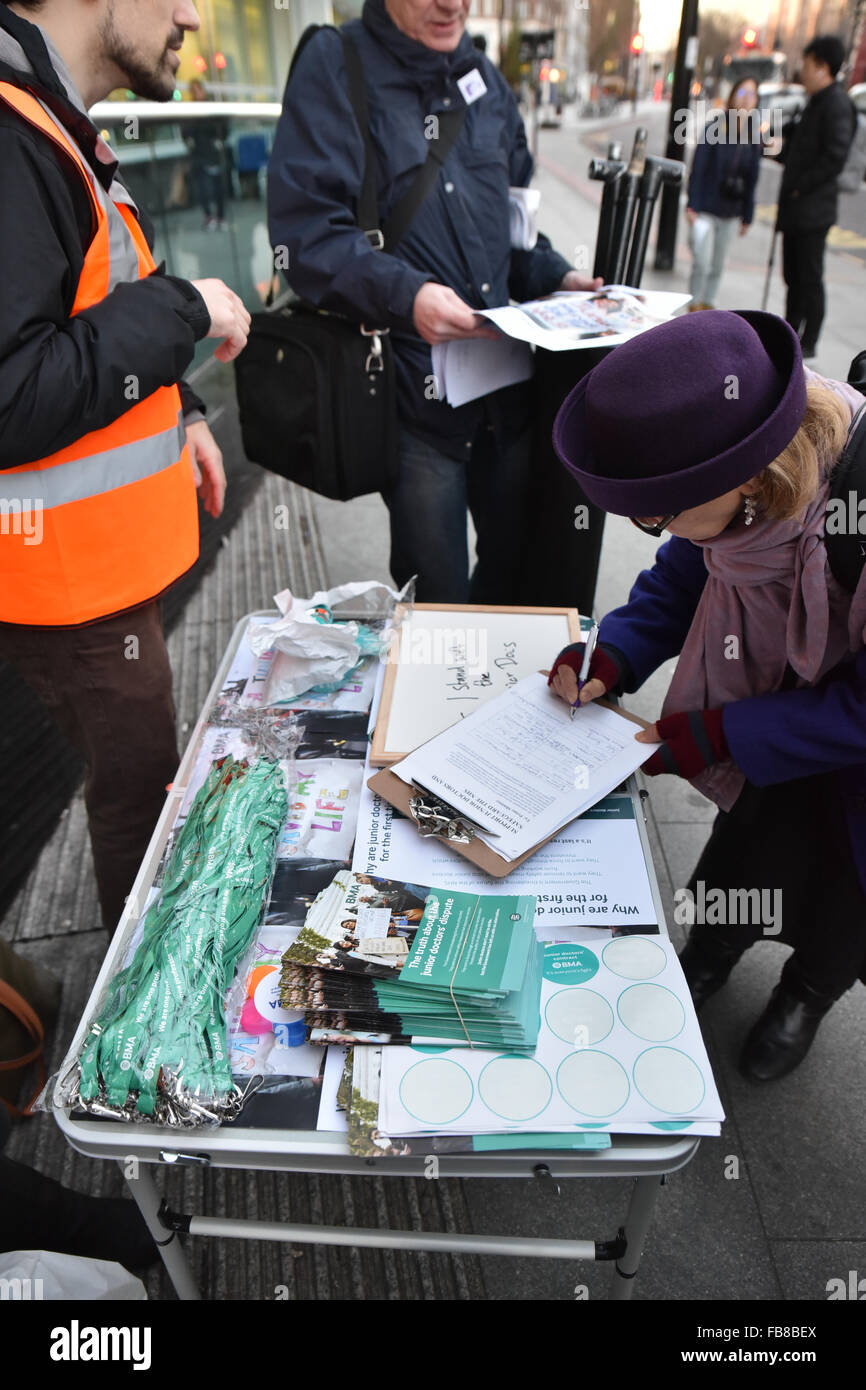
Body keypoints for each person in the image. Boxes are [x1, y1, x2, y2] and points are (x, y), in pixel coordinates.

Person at [549, 309, 866, 1083]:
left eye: (658, 513)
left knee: (844, 893)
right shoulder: (745, 470)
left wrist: (719, 732)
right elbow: (692, 568)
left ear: (754, 478)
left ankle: (806, 994)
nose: (653, 530)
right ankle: (714, 949)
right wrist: (616, 652)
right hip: (774, 709)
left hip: (852, 753)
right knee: (748, 849)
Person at [0, 0, 251, 929]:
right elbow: (9, 393)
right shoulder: (14, 132)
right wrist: (185, 308)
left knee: (134, 785)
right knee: (139, 805)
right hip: (63, 590)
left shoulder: (48, 121)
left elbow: (85, 304)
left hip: (90, 577)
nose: (191, 13)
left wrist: (176, 406)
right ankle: (141, 1034)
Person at [267, 0, 600, 603]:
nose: (452, 5)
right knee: (440, 606)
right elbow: (305, 236)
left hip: (510, 394)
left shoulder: (488, 81)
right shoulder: (335, 63)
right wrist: (407, 294)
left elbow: (513, 239)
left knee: (522, 571)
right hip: (416, 403)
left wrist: (557, 275)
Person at [775, 35, 856, 359]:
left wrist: (800, 186)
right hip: (797, 209)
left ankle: (809, 339)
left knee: (809, 276)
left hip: (813, 211)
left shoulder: (836, 105)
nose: (803, 72)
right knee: (793, 275)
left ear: (823, 68)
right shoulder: (814, 102)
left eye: (807, 65)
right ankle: (791, 329)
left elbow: (834, 157)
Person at [685, 76, 763, 310]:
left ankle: (709, 306)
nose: (747, 99)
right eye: (742, 93)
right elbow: (698, 167)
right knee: (702, 261)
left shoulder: (753, 135)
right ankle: (694, 306)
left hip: (731, 211)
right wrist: (692, 205)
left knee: (718, 265)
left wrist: (747, 216)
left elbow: (752, 179)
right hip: (706, 209)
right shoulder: (715, 127)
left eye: (752, 94)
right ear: (732, 98)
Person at [183, 76, 227, 229]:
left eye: (198, 89)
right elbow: (186, 132)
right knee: (203, 189)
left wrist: (219, 141)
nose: (196, 93)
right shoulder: (190, 111)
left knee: (218, 187)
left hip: (213, 154)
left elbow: (223, 128)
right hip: (199, 156)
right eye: (193, 91)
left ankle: (221, 217)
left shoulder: (211, 108)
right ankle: (209, 217)